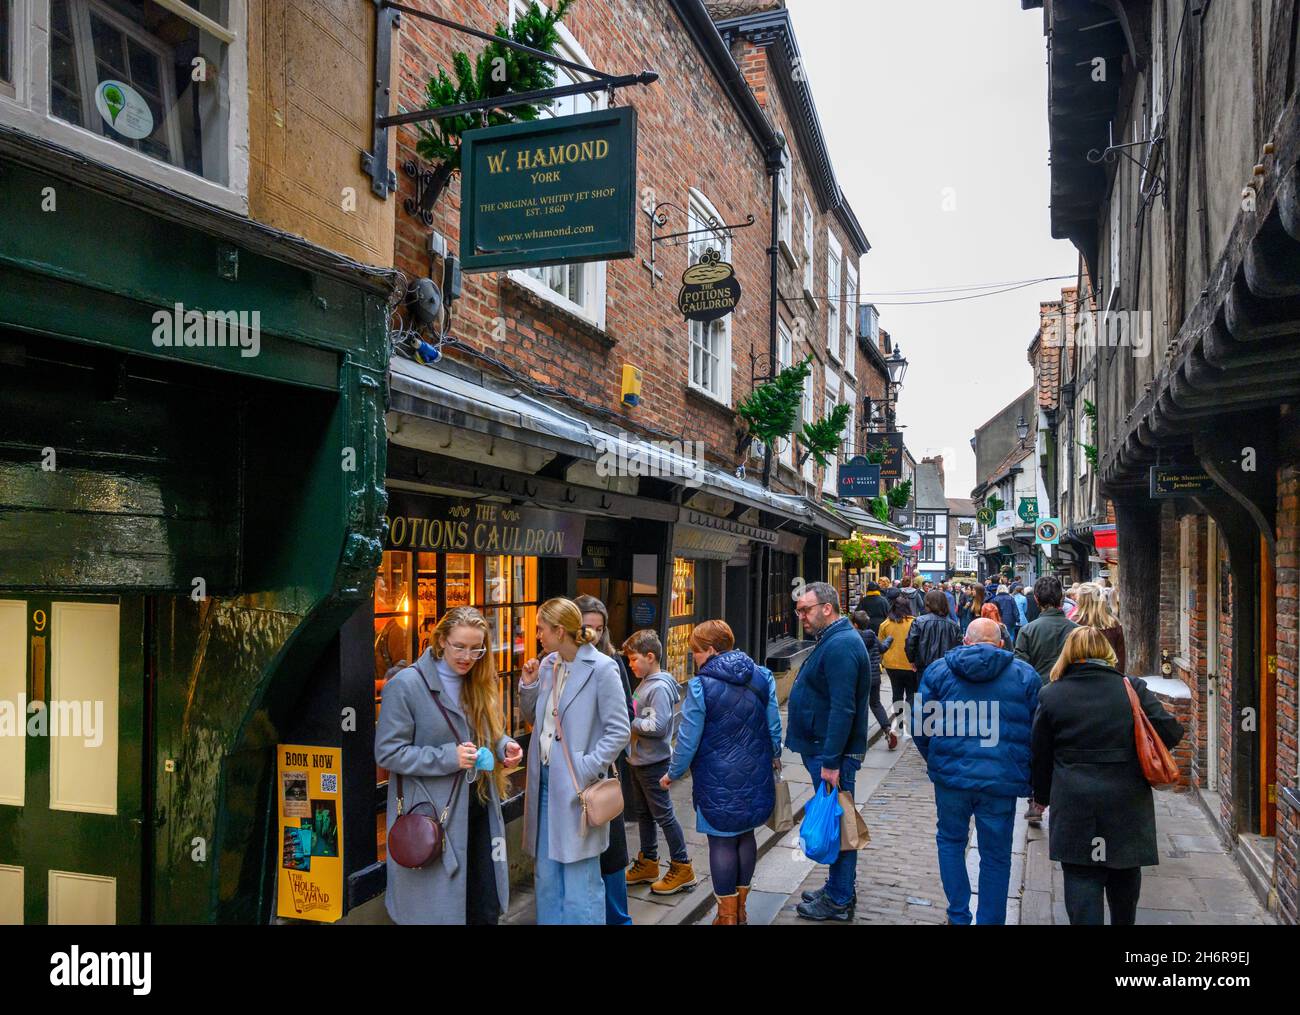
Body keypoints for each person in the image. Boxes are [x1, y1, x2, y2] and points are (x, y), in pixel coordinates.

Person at [376, 606, 523, 925]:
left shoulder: (477, 681)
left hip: (479, 806)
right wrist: (448, 757)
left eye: (476, 648)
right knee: (438, 913)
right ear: (441, 640)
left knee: (482, 906)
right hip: (434, 815)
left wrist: (503, 745)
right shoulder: (406, 686)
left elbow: (485, 732)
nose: (467, 656)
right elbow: (387, 753)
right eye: (460, 646)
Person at [1031, 627, 1184, 925]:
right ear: (1106, 652)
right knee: (1124, 882)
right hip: (1126, 800)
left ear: (1069, 654)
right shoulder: (1132, 689)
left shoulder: (1051, 695)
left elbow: (1040, 756)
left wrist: (1042, 797)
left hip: (1075, 802)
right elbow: (1171, 732)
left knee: (1080, 879)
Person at [915, 618, 1041, 925]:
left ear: (965, 641)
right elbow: (1038, 731)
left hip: (952, 778)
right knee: (996, 855)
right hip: (1001, 779)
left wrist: (935, 757)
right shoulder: (1025, 675)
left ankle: (958, 914)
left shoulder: (939, 671)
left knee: (950, 841)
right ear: (1000, 644)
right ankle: (990, 920)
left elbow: (920, 725)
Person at [519, 598, 631, 925]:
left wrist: (586, 768)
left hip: (577, 790)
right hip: (543, 787)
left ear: (559, 630)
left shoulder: (602, 668)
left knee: (581, 883)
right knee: (547, 878)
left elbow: (619, 730)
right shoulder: (547, 665)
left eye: (541, 628)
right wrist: (527, 686)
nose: (537, 634)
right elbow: (535, 721)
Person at [663, 621, 781, 925]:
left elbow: (688, 738)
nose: (695, 658)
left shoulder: (701, 686)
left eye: (697, 652)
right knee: (745, 835)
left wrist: (672, 773)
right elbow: (773, 726)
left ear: (712, 650)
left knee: (721, 841)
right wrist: (775, 755)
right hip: (755, 770)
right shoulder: (762, 675)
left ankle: (726, 917)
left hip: (714, 775)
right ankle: (740, 911)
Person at [787, 582, 871, 921]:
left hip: (829, 752)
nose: (801, 616)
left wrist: (832, 760)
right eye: (799, 611)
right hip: (823, 747)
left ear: (827, 607)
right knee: (838, 820)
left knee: (839, 825)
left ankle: (837, 899)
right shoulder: (835, 639)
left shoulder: (841, 645)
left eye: (805, 609)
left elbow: (843, 708)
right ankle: (839, 888)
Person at [574, 594, 636, 925]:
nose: (594, 634)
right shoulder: (556, 662)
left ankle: (618, 919)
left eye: (599, 628)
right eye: (587, 627)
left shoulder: (611, 663)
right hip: (572, 774)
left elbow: (625, 716)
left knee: (611, 851)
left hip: (602, 769)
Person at [621, 629, 696, 896]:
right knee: (644, 814)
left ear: (650, 657)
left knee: (664, 815)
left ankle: (682, 865)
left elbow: (659, 725)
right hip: (640, 760)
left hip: (654, 763)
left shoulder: (659, 687)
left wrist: (628, 722)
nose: (630, 665)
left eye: (633, 659)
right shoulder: (646, 682)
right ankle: (649, 862)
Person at [852, 609, 898, 750]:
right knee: (876, 704)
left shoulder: (852, 637)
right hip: (874, 677)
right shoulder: (871, 635)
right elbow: (883, 648)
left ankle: (857, 737)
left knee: (858, 706)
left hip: (859, 677)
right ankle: (888, 730)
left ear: (855, 625)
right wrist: (889, 638)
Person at [904, 589, 963, 683]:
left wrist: (912, 660)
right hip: (946, 667)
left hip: (924, 666)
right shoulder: (953, 625)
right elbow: (958, 647)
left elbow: (910, 643)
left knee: (920, 692)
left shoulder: (919, 621)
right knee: (943, 694)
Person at [879, 596, 917, 736]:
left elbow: (881, 646)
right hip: (910, 664)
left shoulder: (885, 624)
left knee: (897, 693)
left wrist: (880, 663)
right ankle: (909, 719)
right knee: (912, 693)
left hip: (892, 664)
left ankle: (900, 722)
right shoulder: (914, 622)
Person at [1073, 582, 1127, 672]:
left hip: (1082, 677)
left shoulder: (1075, 622)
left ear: (1083, 600)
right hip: (1109, 675)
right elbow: (1120, 657)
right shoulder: (1113, 623)